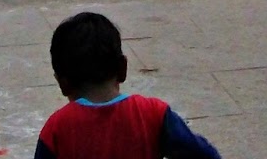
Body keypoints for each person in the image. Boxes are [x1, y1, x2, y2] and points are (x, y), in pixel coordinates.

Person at [35, 10, 221, 158]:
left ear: (63, 83)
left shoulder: (57, 128)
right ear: (123, 68)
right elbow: (204, 155)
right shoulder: (154, 114)